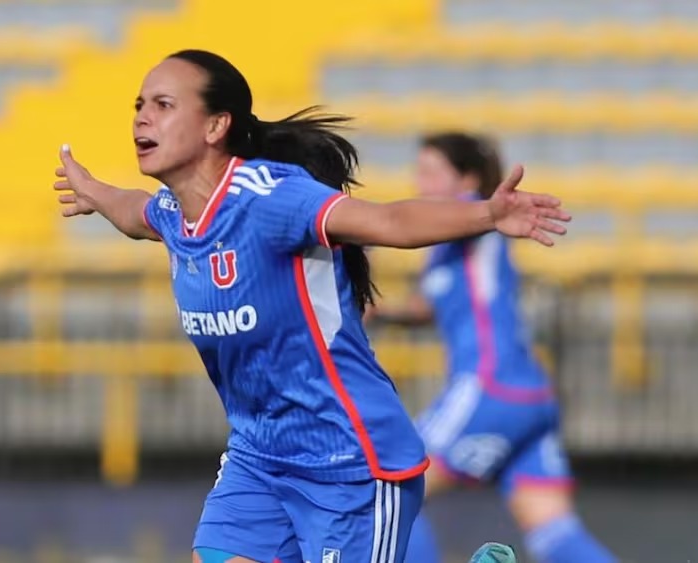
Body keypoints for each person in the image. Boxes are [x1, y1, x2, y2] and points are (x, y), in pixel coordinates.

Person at [53, 50, 569, 563]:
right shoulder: (174, 215)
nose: (143, 116)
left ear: (216, 125)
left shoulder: (271, 199)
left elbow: (388, 223)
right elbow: (132, 212)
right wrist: (94, 191)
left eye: (163, 104)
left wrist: (486, 214)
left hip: (348, 462)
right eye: (139, 103)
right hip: (259, 455)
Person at [364, 132, 615, 563]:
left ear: (467, 181)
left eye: (429, 173)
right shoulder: (451, 244)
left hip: (488, 387)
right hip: (527, 394)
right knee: (553, 530)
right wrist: (382, 312)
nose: (418, 183)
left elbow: (403, 224)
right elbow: (429, 306)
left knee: (385, 491)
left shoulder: (469, 215)